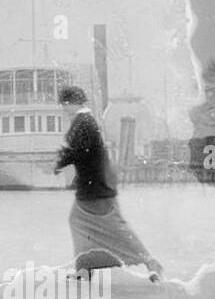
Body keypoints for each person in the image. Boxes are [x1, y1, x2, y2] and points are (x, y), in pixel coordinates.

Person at [53, 86, 164, 282]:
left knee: (114, 226)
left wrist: (58, 164)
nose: (63, 108)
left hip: (96, 187)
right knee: (81, 223)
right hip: (94, 186)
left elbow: (78, 151)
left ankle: (150, 262)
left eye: (64, 104)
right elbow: (81, 152)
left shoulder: (83, 122)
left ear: (71, 103)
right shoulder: (85, 121)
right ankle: (85, 267)